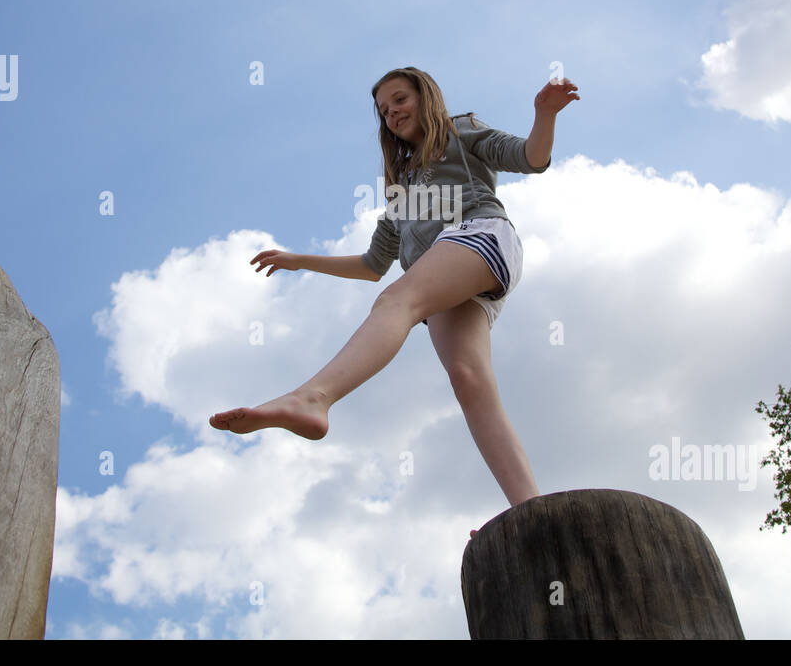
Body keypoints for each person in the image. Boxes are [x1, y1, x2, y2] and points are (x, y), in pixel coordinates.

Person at [210, 66, 579, 536]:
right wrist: (300, 260)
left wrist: (544, 115)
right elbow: (370, 264)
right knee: (469, 382)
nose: (392, 113)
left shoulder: (461, 131)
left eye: (400, 100)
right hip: (446, 281)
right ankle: (531, 512)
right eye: (384, 110)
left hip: (481, 235)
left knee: (396, 303)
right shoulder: (399, 193)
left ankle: (313, 398)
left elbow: (530, 158)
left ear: (426, 98)